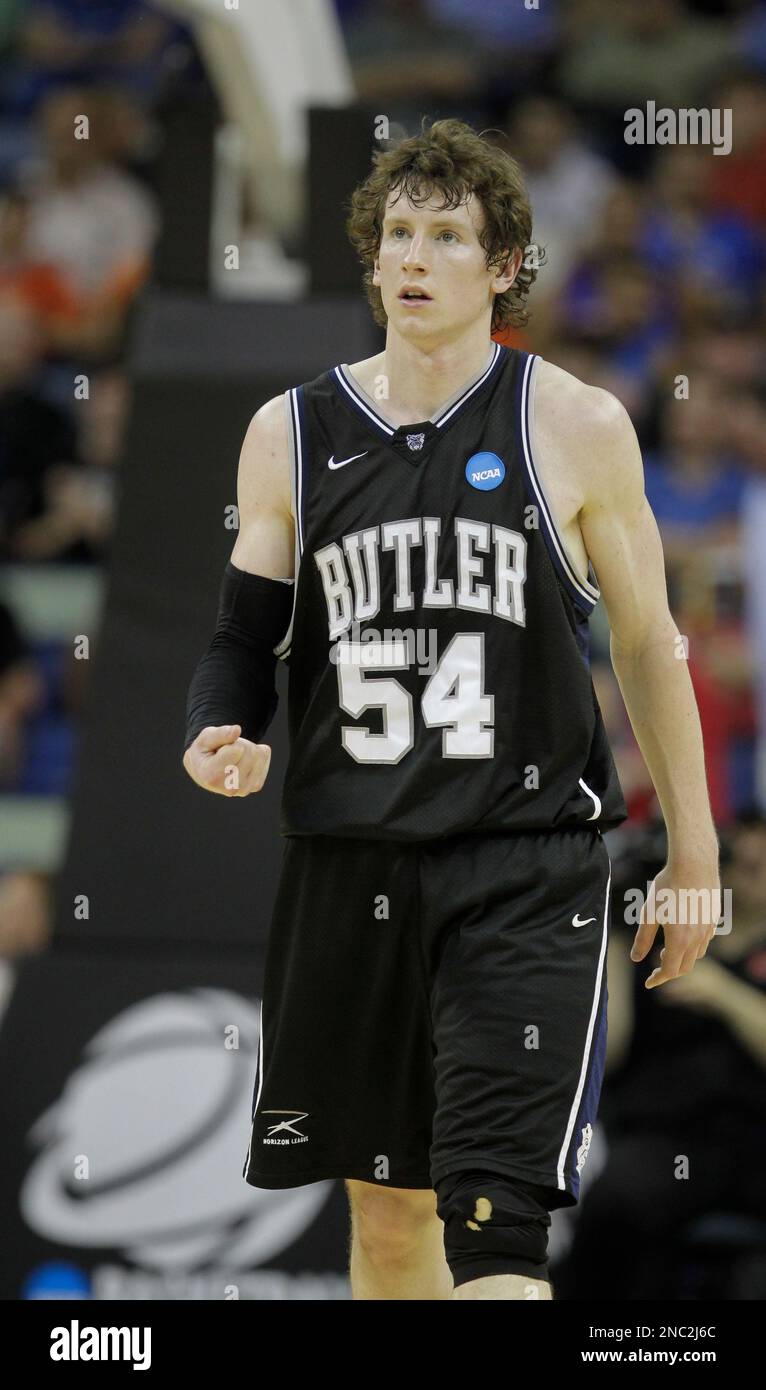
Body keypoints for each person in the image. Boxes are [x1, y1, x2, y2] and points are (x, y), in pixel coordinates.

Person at [182, 119, 720, 1301]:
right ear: (372, 260)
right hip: (349, 858)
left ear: (503, 267)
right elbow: (242, 633)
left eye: (446, 234)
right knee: (385, 1221)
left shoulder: (573, 424)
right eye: (397, 233)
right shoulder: (289, 432)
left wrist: (693, 846)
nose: (413, 253)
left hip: (520, 867)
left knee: (494, 1222)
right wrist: (220, 728)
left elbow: (646, 640)